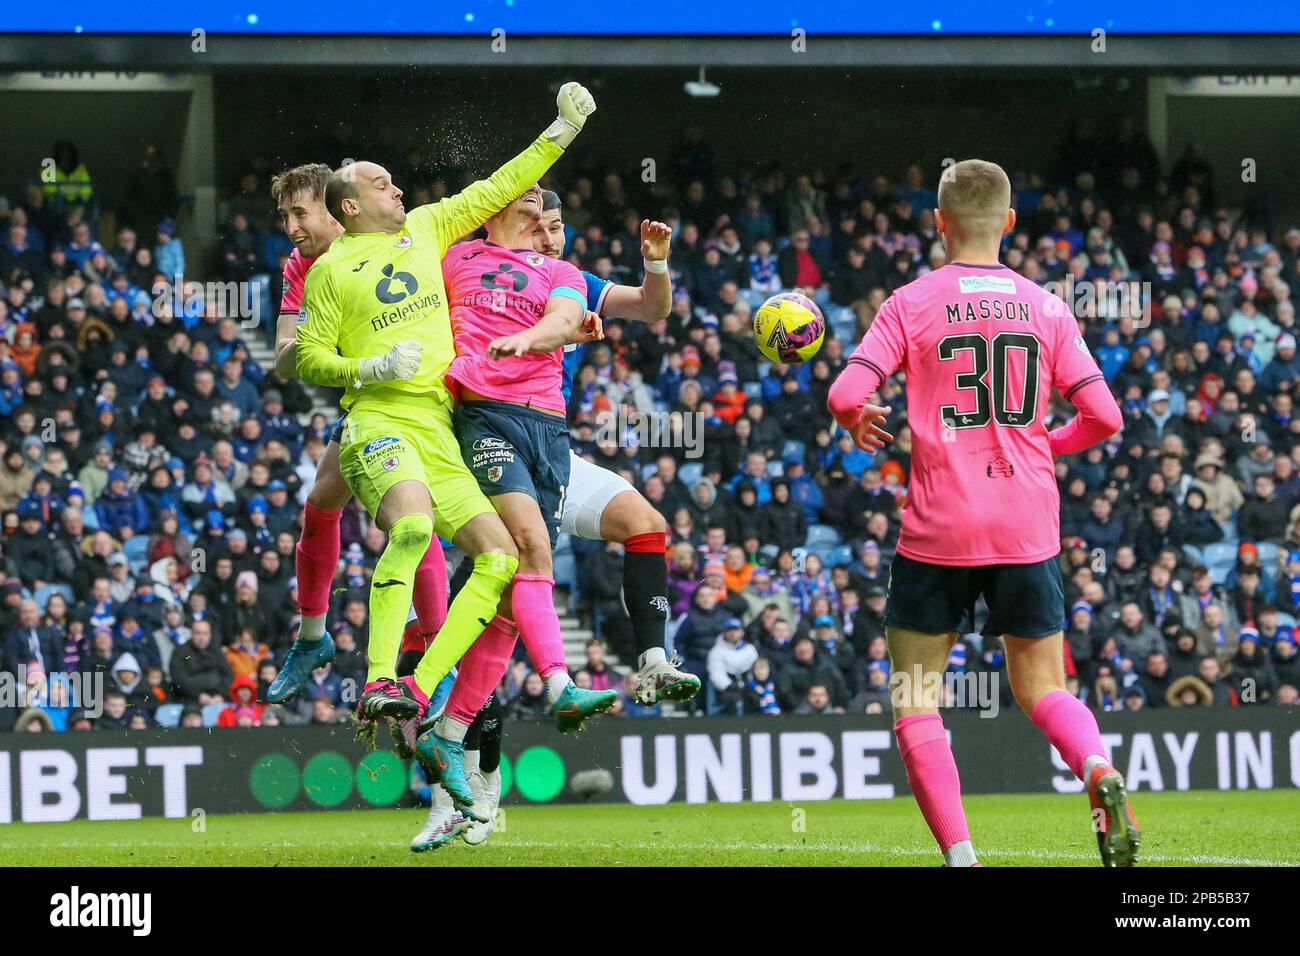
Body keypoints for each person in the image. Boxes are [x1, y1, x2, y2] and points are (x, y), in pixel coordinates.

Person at [295, 82, 596, 814]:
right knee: (412, 526)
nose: (397, 189)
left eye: (394, 182)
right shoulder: (330, 270)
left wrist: (560, 128)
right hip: (378, 421)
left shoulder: (429, 226)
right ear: (349, 207)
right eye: (380, 184)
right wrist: (367, 367)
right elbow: (306, 359)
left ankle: (421, 693)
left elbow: (502, 185)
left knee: (498, 557)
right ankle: (375, 680)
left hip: (436, 424)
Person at [827, 159, 1133, 867]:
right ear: (1011, 223)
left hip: (939, 528)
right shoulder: (1047, 307)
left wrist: (855, 418)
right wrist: (1043, 446)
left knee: (914, 697)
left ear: (939, 222)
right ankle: (1094, 768)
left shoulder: (910, 301)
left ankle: (963, 857)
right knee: (1042, 688)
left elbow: (847, 393)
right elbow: (1106, 416)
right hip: (1027, 523)